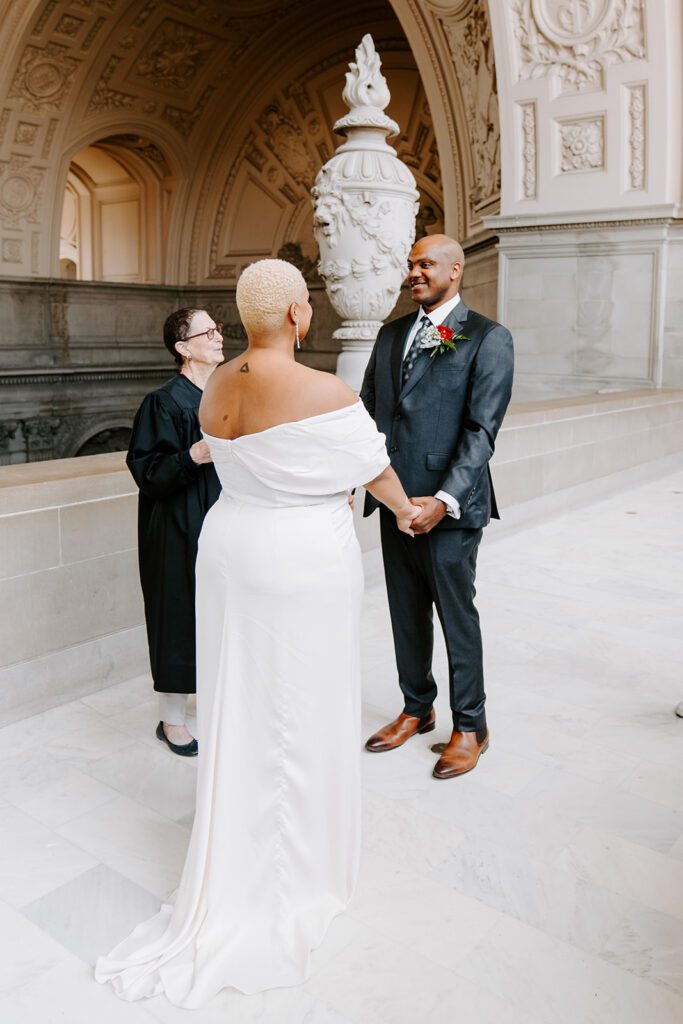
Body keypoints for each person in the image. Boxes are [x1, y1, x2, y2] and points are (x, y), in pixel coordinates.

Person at [95, 259, 418, 1006]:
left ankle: (237, 843)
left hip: (230, 547)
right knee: (301, 704)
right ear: (300, 315)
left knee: (243, 701)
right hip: (296, 557)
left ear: (242, 319)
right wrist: (405, 511)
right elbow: (375, 469)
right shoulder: (322, 388)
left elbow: (258, 459)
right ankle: (295, 868)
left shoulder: (213, 387)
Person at [361, 234, 514, 779]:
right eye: (410, 264)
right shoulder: (390, 335)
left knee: (456, 615)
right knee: (405, 609)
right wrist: (368, 482)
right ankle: (416, 707)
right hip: (394, 502)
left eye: (426, 263)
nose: (414, 273)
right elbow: (369, 412)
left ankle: (471, 725)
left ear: (456, 269)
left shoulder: (487, 338)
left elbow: (481, 431)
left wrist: (444, 500)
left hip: (449, 506)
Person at [126, 309, 223, 756]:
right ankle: (173, 721)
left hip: (221, 521)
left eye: (218, 329)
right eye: (208, 331)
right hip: (177, 526)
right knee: (177, 617)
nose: (218, 336)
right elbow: (149, 472)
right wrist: (195, 455)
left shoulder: (225, 393)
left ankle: (219, 703)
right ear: (183, 348)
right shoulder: (162, 402)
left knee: (221, 615)